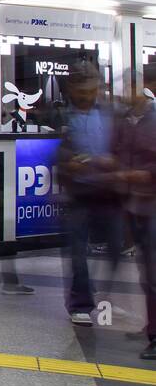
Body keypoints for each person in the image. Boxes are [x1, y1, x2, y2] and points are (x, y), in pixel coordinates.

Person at [53, 62, 124, 326]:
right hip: (78, 193)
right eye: (81, 89)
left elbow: (123, 144)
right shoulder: (61, 114)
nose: (86, 95)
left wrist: (115, 161)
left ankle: (105, 295)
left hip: (108, 190)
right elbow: (57, 150)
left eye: (91, 89)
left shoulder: (111, 113)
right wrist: (68, 161)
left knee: (116, 246)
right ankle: (80, 302)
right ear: (72, 88)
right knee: (77, 250)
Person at [117, 87, 156, 358]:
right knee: (146, 274)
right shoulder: (127, 121)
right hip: (135, 205)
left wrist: (145, 174)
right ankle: (153, 326)